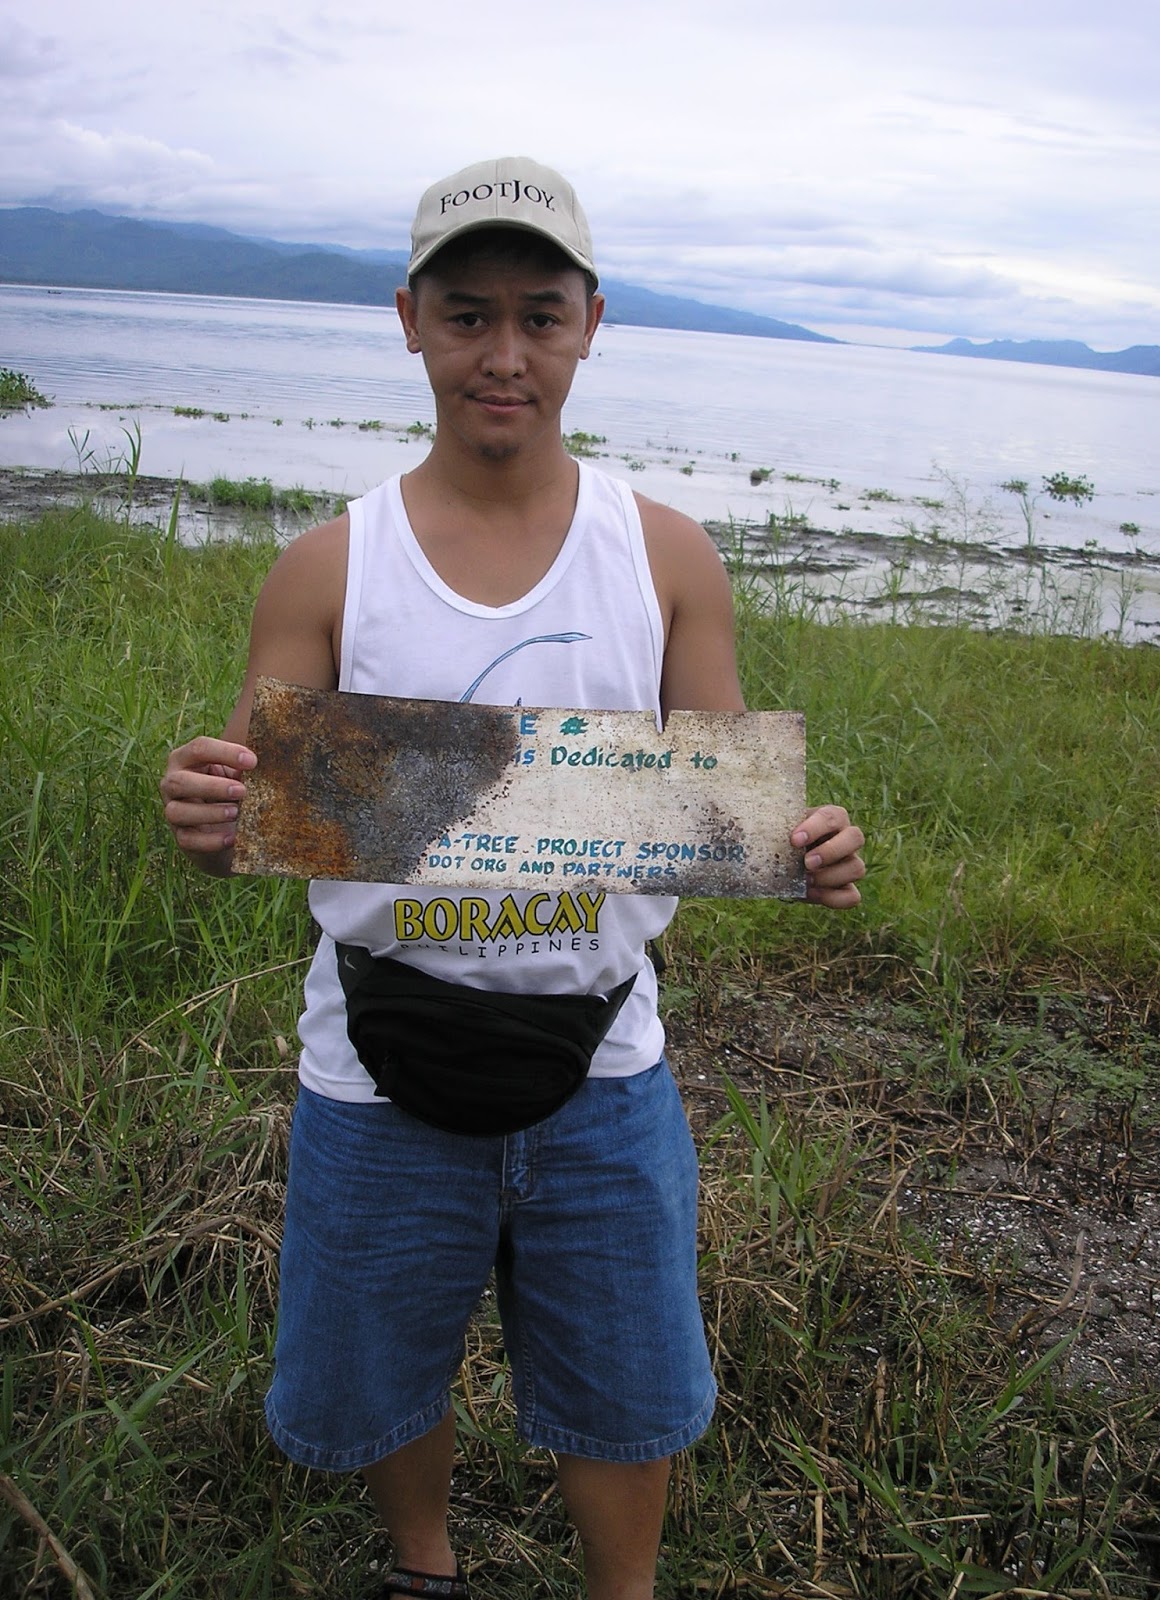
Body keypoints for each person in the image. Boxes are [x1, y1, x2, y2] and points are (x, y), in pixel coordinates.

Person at [161, 156, 865, 1600]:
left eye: (537, 317)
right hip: (372, 1056)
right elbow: (248, 804)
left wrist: (802, 846)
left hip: (604, 1055)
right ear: (409, 320)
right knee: (382, 1361)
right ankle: (424, 1566)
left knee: (625, 1368)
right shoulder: (324, 568)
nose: (503, 356)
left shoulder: (664, 558)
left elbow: (716, 792)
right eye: (468, 316)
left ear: (589, 324)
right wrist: (207, 809)